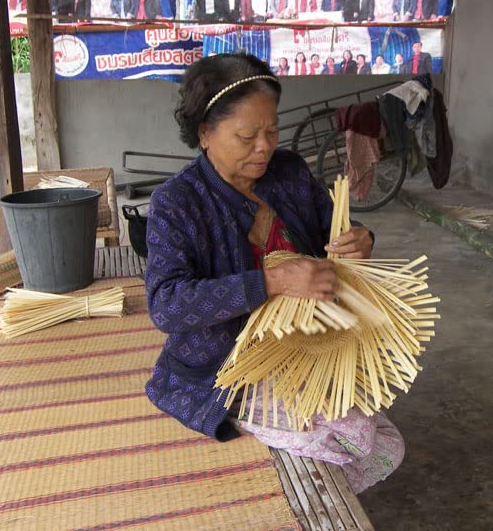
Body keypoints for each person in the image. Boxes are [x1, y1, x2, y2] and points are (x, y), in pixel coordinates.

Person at [145, 53, 401, 495]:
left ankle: (316, 501)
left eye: (272, 130)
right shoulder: (177, 202)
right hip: (227, 367)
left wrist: (360, 238)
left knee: (384, 444)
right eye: (246, 136)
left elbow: (333, 230)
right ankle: (299, 505)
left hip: (307, 348)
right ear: (205, 133)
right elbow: (167, 305)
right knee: (341, 443)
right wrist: (271, 282)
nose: (263, 146)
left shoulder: (289, 173)